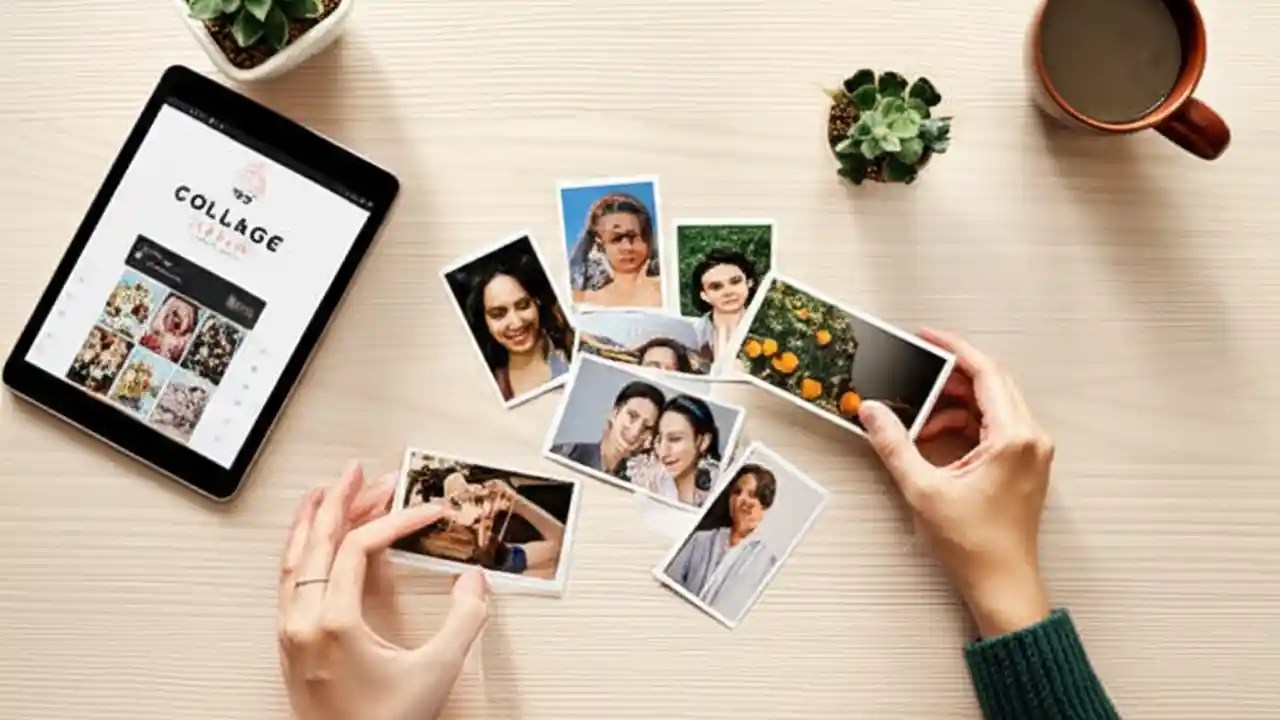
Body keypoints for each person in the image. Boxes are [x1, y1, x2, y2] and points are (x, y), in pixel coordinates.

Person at [278, 330, 1119, 719]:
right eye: (641, 423)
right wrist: (1003, 582)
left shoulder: (539, 532)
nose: (645, 436)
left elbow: (552, 542)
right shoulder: (583, 448)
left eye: (664, 428)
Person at [664, 464, 778, 620]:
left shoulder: (766, 562)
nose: (740, 499)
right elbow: (668, 582)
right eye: (736, 492)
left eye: (752, 495)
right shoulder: (700, 539)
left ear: (764, 505)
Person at [404, 474, 566, 580]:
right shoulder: (497, 562)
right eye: (477, 501)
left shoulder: (500, 559)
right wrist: (518, 504)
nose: (475, 489)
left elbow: (563, 543)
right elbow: (562, 543)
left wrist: (517, 502)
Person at [462, 256, 574, 402]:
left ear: (537, 303)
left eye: (523, 306)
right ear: (484, 322)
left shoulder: (573, 344)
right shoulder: (491, 389)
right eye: (498, 315)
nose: (516, 323)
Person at [622, 394, 721, 507]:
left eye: (675, 439)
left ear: (703, 442)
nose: (663, 452)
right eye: (659, 440)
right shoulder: (641, 482)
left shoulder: (719, 492)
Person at [550, 381, 664, 475]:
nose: (635, 432)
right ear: (615, 413)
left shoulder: (639, 480)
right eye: (632, 416)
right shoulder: (565, 455)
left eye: (647, 427)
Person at [568, 193, 662, 308]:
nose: (628, 247)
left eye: (634, 236)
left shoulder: (668, 287)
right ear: (600, 244)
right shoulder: (583, 300)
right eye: (616, 239)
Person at [688, 248, 759, 362]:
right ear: (704, 295)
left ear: (749, 282)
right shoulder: (693, 335)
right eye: (716, 287)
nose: (728, 292)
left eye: (735, 281)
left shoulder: (768, 328)